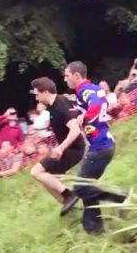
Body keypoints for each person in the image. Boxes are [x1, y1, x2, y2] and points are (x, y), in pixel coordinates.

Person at [61, 62, 127, 234]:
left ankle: (119, 196)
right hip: (103, 144)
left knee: (81, 187)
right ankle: (95, 229)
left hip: (100, 147)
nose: (65, 78)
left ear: (76, 75)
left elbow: (96, 105)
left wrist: (85, 116)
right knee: (86, 187)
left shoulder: (85, 90)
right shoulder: (91, 88)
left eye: (67, 75)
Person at [29, 77, 86, 207]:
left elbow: (75, 129)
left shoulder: (60, 106)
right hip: (70, 148)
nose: (36, 99)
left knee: (36, 171)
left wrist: (61, 148)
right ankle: (68, 205)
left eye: (37, 95)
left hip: (73, 149)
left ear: (45, 92)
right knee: (45, 178)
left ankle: (69, 195)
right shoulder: (55, 105)